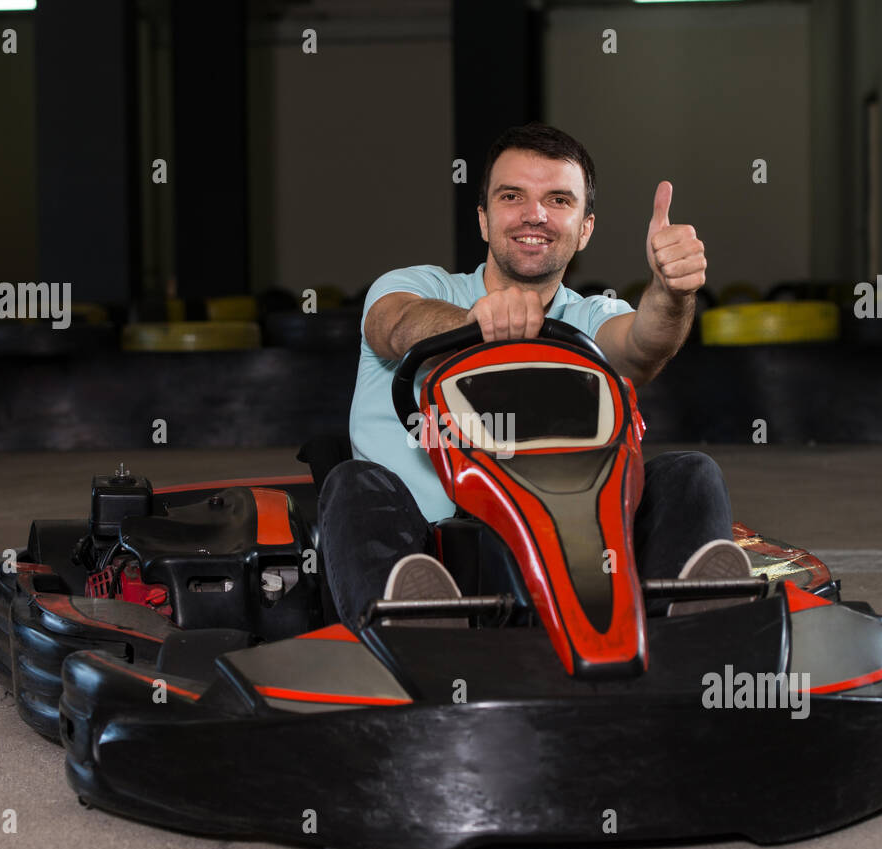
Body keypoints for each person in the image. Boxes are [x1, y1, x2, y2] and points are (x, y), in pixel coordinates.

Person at [319, 122, 750, 626]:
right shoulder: (415, 285)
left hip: (567, 538)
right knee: (352, 482)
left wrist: (671, 292)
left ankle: (687, 629)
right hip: (425, 543)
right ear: (483, 220)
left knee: (691, 472)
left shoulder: (590, 316)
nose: (535, 215)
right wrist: (472, 325)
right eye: (512, 196)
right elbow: (393, 324)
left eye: (559, 200)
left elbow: (642, 346)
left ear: (585, 228)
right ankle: (415, 626)